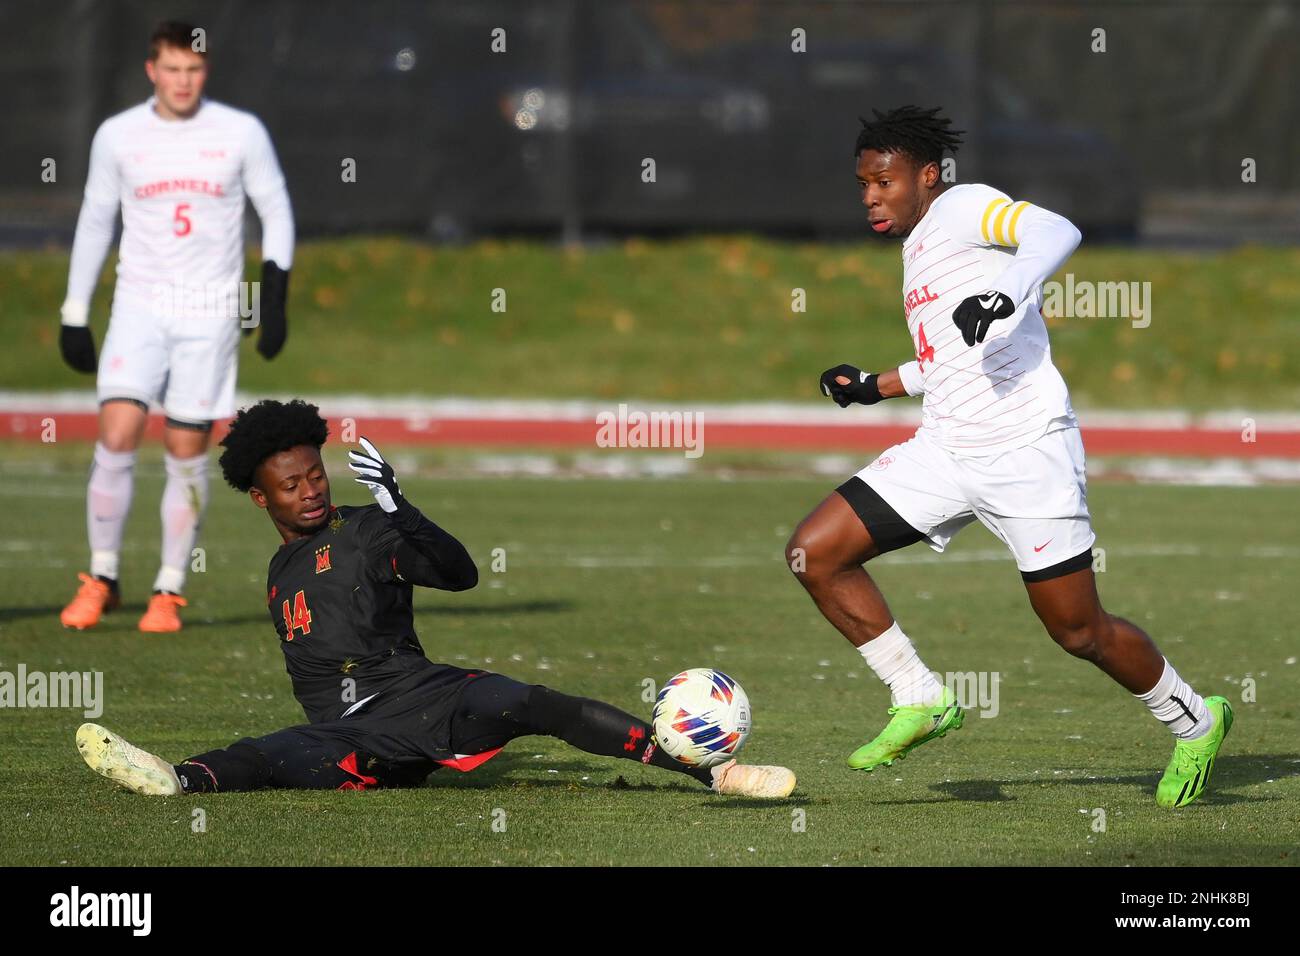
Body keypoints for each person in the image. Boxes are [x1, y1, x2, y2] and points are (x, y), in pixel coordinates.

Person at [785, 106, 1230, 808]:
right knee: (816, 551)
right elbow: (954, 354)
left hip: (1028, 454)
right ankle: (920, 696)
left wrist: (1007, 289)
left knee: (1079, 631)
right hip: (946, 449)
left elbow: (1058, 230)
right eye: (863, 184)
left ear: (927, 176)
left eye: (883, 181)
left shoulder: (963, 208)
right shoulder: (918, 251)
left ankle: (1195, 721)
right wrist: (875, 386)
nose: (870, 195)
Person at [78, 399, 795, 800]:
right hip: (357, 733)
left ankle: (715, 771)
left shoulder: (364, 529)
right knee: (274, 753)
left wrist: (401, 507)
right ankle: (177, 778)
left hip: (429, 693)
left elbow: (459, 575)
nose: (311, 489)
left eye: (315, 475)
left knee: (534, 703)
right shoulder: (276, 574)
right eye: (291, 485)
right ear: (261, 497)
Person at [58, 20, 294, 633]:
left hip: (210, 314)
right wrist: (74, 312)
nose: (182, 82)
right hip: (138, 308)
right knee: (117, 431)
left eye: (193, 71)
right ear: (151, 70)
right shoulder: (119, 135)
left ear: (204, 72)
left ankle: (168, 588)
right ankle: (102, 576)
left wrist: (274, 298)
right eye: (172, 70)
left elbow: (275, 208)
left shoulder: (240, 132)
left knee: (185, 448)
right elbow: (94, 220)